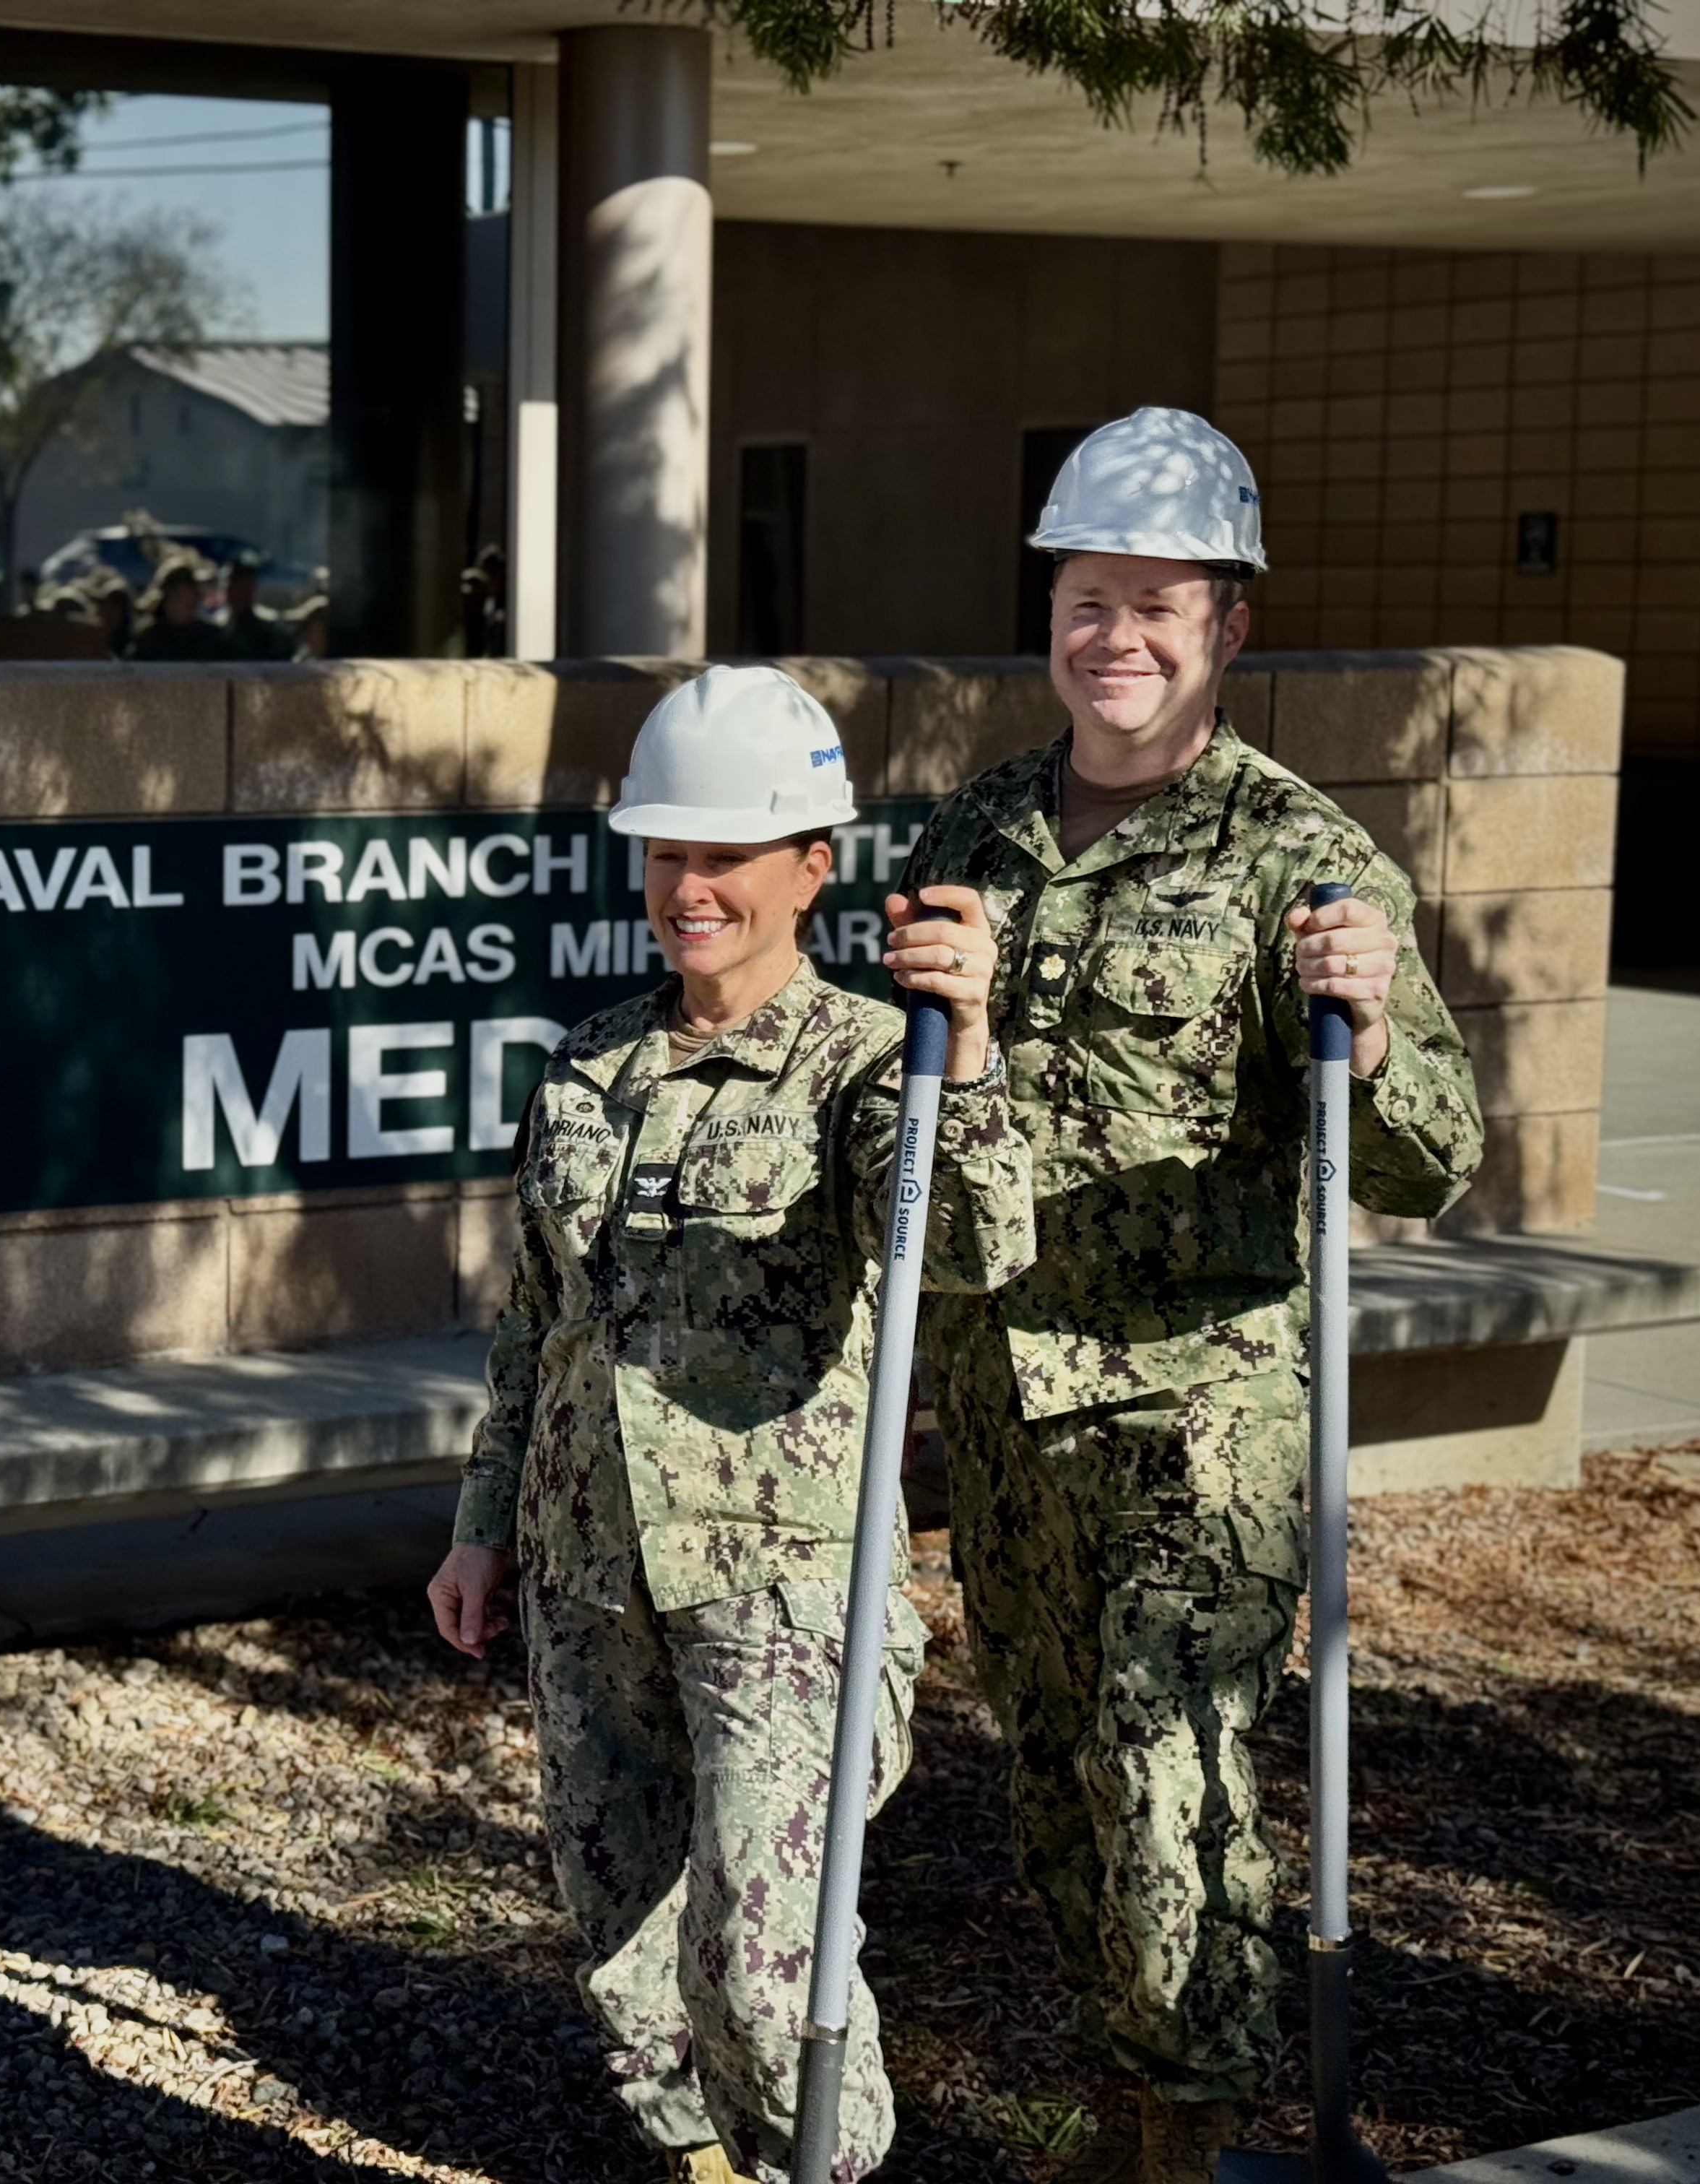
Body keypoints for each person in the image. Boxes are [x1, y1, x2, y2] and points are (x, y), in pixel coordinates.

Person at [898, 408, 1483, 2184]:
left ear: (1229, 625)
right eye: (1089, 599)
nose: (1118, 638)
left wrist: (1367, 1024)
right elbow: (917, 1117)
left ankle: (1194, 2142)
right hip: (1012, 1410)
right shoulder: (977, 827)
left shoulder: (1305, 860)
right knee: (1060, 1790)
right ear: (1050, 611)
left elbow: (1433, 1158)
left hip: (1198, 1415)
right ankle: (1132, 2113)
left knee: (1171, 1785)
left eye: (1159, 606)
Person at [429, 667, 1037, 2184]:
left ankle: (818, 2167)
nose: (689, 888)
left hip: (782, 1583)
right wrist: (480, 1526)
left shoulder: (869, 1063)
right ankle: (699, 2162)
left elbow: (973, 1243)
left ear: (812, 866)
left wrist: (965, 1046)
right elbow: (535, 1320)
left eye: (726, 855)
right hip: (589, 1569)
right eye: (666, 854)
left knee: (765, 1964)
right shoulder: (589, 1062)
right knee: (625, 1938)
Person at [129, 552, 224, 662]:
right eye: (190, 586)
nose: (198, 593)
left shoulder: (210, 636)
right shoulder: (150, 638)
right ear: (171, 591)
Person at [215, 547, 295, 660]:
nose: (231, 589)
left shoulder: (265, 635)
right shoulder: (218, 628)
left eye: (238, 583)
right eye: (230, 582)